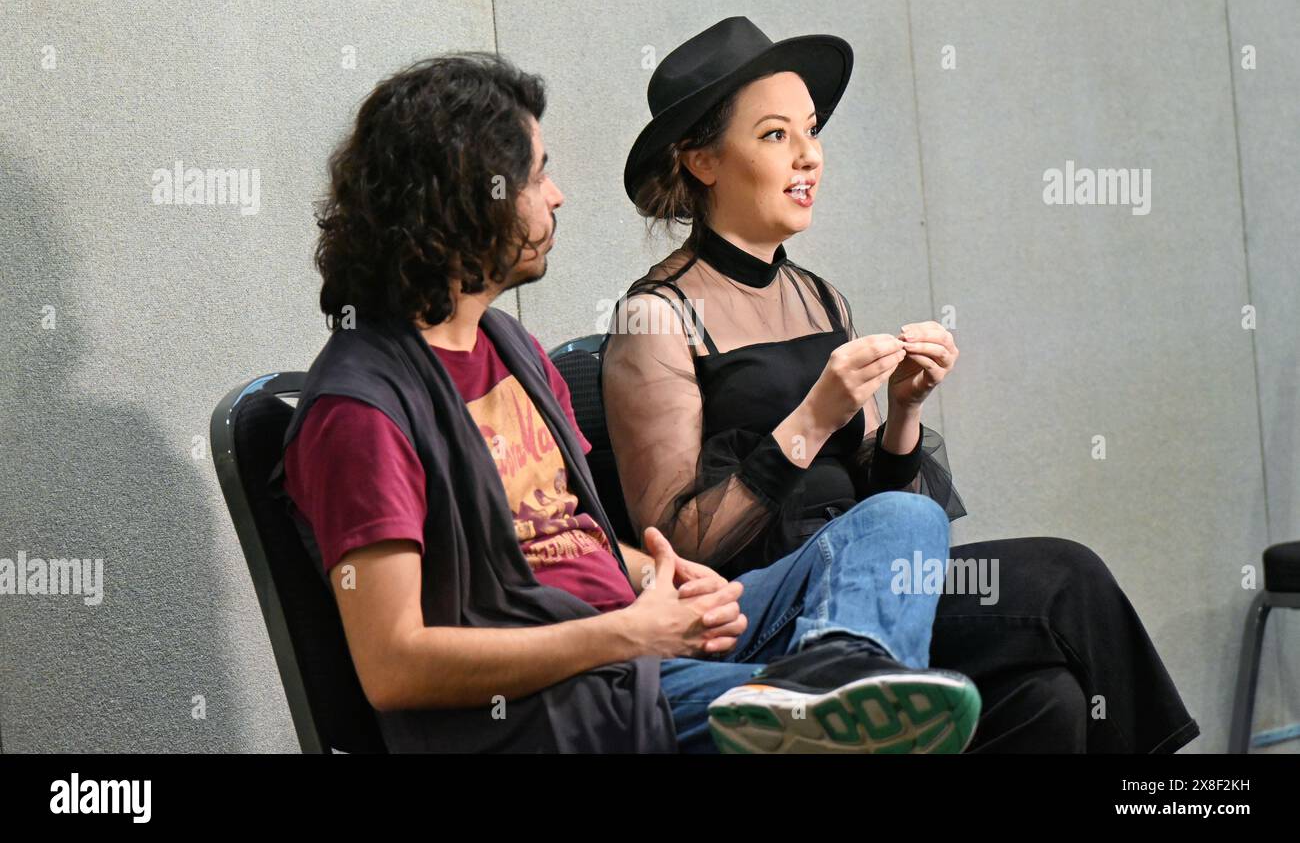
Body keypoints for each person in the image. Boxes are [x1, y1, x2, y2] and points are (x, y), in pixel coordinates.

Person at [269, 51, 981, 754]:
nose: (556, 196)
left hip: (634, 650)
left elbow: (568, 535)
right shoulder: (360, 410)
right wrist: (628, 632)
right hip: (565, 708)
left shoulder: (507, 346)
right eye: (536, 174)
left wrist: (659, 576)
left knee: (900, 518)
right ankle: (826, 708)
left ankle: (840, 678)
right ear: (463, 198)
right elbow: (393, 667)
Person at [602, 15, 1201, 754]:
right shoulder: (654, 316)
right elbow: (679, 542)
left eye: (811, 132)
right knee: (1066, 577)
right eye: (774, 136)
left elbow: (884, 501)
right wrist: (811, 420)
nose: (808, 157)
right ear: (701, 161)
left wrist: (904, 414)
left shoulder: (821, 298)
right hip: (774, 606)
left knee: (1048, 700)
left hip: (880, 589)